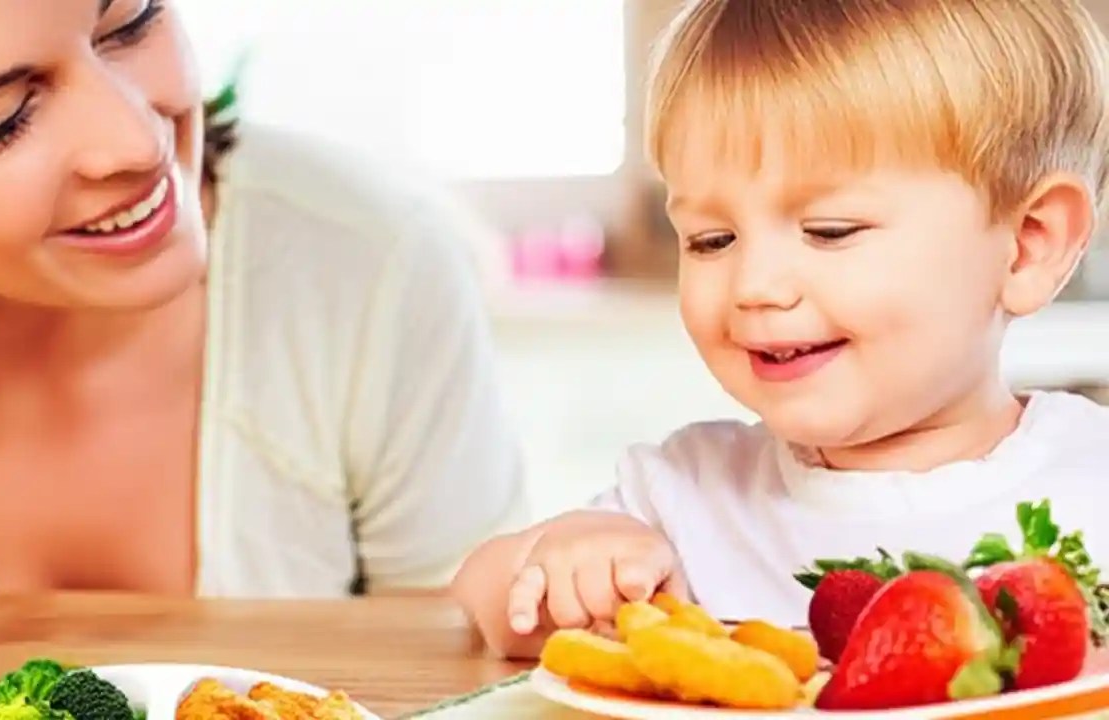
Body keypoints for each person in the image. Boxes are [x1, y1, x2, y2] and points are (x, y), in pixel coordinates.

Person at [453, 0, 1109, 659]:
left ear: (1028, 244)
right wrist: (572, 561)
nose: (755, 286)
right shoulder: (684, 496)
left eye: (830, 231)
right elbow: (487, 595)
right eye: (712, 240)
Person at [0, 0, 529, 597]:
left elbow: (474, 670)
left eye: (130, 24)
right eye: (3, 120)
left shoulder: (371, 259)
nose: (138, 142)